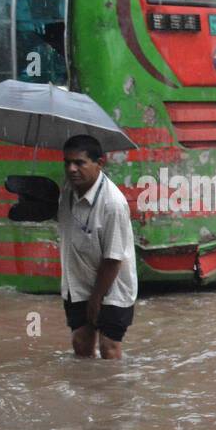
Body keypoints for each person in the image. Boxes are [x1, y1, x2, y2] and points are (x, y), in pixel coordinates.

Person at [57, 134, 137, 360]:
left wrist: (95, 300)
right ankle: (86, 391)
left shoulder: (113, 204)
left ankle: (112, 392)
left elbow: (113, 259)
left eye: (79, 163)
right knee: (81, 343)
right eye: (67, 163)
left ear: (99, 163)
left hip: (113, 285)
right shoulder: (67, 191)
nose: (72, 169)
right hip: (79, 279)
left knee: (109, 347)